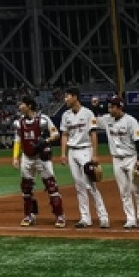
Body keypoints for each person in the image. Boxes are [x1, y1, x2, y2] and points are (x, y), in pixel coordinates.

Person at [58, 87, 110, 229]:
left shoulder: (88, 113)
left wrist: (95, 154)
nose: (65, 99)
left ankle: (103, 216)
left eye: (67, 96)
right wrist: (63, 154)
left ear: (75, 97)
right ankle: (85, 218)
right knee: (79, 186)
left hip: (85, 150)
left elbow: (93, 134)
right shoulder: (66, 115)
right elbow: (64, 135)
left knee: (90, 184)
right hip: (72, 152)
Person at [12, 95, 65, 227]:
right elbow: (17, 140)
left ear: (29, 105)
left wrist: (46, 140)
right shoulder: (19, 123)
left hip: (41, 157)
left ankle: (60, 215)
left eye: (22, 104)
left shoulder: (43, 120)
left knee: (51, 186)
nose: (20, 106)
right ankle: (29, 215)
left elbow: (55, 134)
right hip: (27, 157)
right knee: (26, 187)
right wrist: (15, 157)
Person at [97, 97, 139, 229]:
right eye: (109, 107)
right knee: (124, 191)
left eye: (112, 107)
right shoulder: (107, 119)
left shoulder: (131, 121)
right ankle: (130, 219)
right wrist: (96, 106)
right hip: (116, 159)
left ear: (119, 107)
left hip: (131, 158)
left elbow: (138, 141)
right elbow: (94, 120)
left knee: (137, 190)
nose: (109, 109)